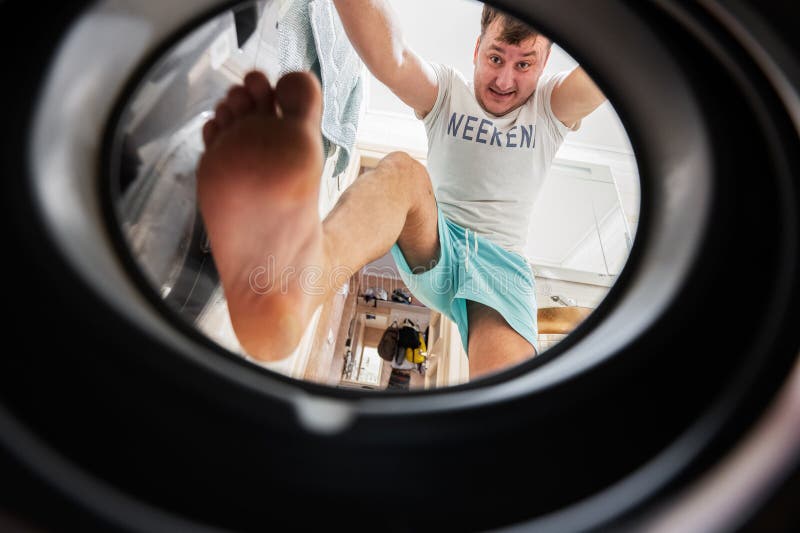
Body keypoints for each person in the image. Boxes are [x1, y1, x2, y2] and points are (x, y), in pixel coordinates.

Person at [196, 2, 606, 379]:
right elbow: (391, 57)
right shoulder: (448, 93)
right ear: (477, 48)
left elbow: (613, 66)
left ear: (545, 62)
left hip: (503, 273)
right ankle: (293, 290)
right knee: (403, 171)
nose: (504, 79)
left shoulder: (551, 108)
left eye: (524, 65)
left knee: (511, 396)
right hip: (437, 239)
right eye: (496, 57)